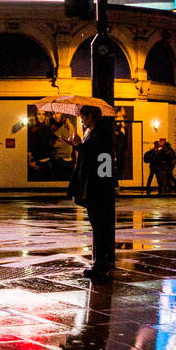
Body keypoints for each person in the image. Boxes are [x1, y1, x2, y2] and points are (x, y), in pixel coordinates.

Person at [67, 106, 116, 283]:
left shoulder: (100, 134)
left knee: (101, 226)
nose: (82, 120)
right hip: (93, 185)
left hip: (98, 187)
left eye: (84, 117)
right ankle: (100, 263)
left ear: (92, 117)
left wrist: (80, 145)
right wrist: (78, 146)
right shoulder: (91, 133)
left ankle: (102, 264)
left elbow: (102, 160)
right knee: (97, 225)